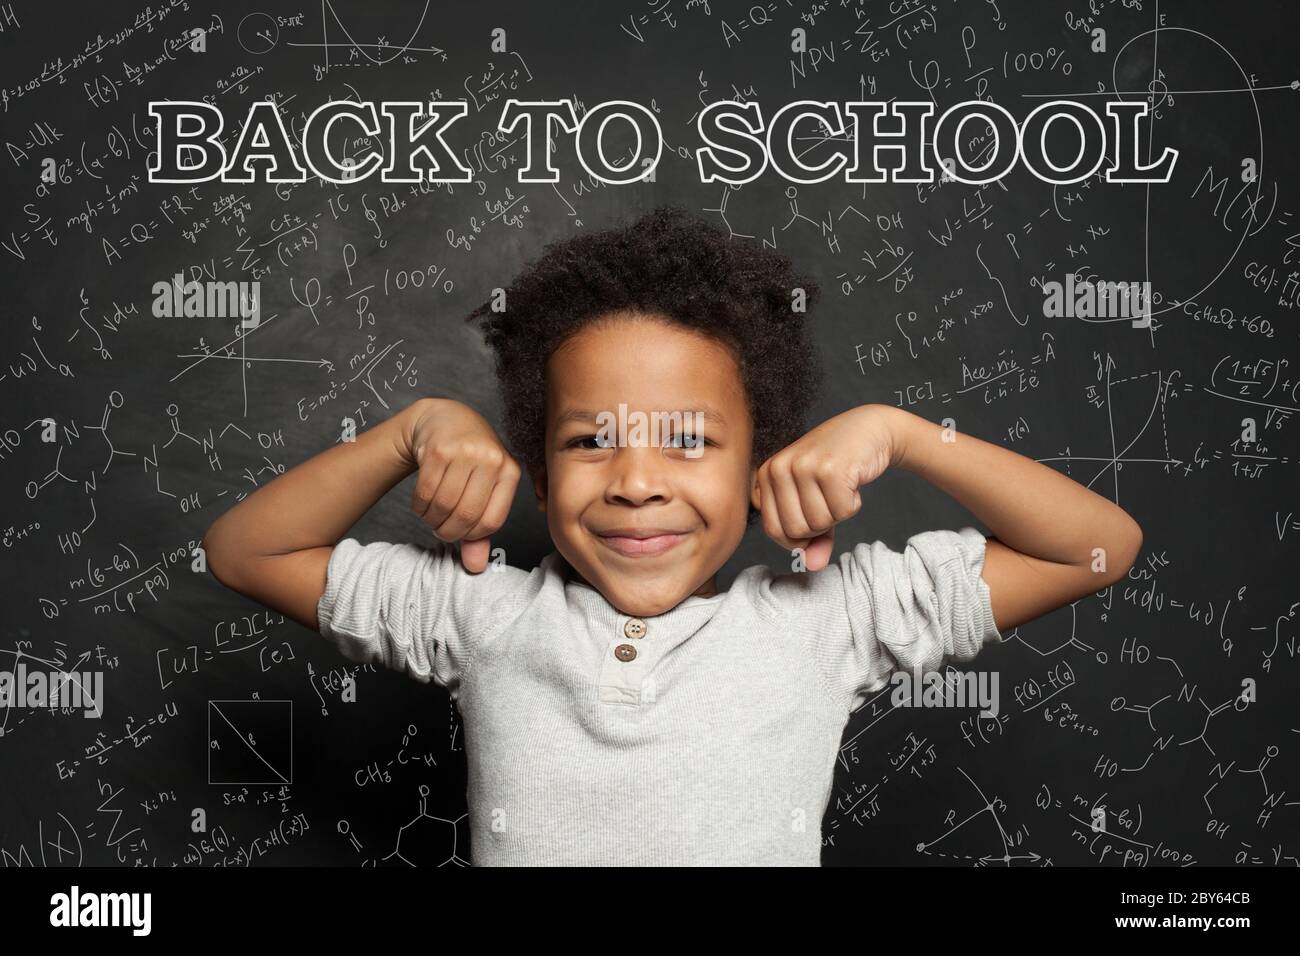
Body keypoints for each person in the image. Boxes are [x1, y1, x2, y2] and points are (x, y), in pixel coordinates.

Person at [202, 206, 1142, 865]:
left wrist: (900, 433)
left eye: (689, 442)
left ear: (758, 466)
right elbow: (245, 553)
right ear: (537, 465)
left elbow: (1096, 545)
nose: (639, 481)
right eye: (589, 441)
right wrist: (414, 430)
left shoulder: (831, 622)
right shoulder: (476, 616)